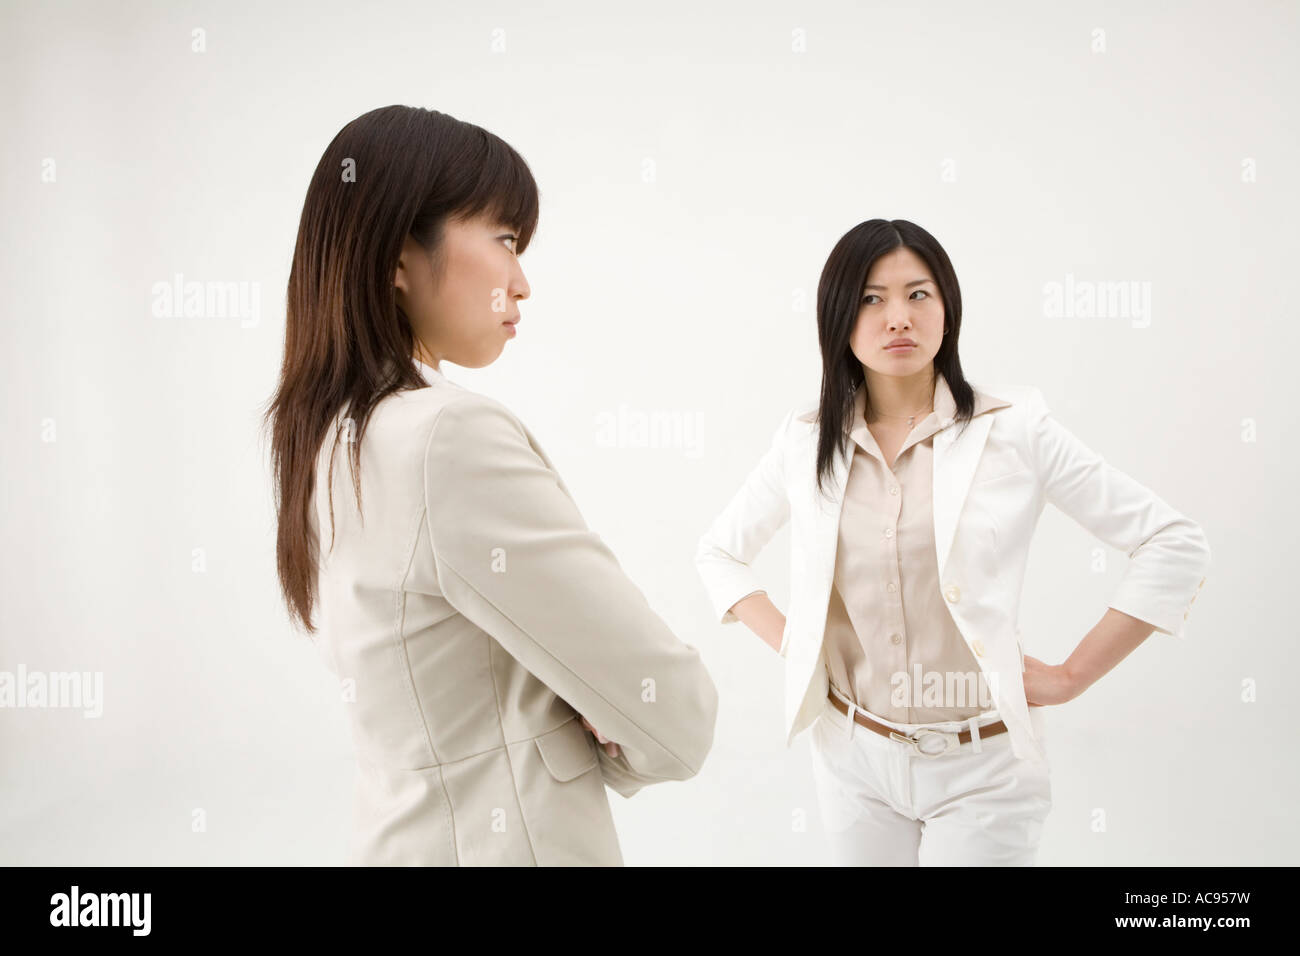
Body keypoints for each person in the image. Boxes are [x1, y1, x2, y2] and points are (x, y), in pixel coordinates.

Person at [264, 105, 717, 866]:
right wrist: (589, 721)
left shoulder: (327, 440)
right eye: (506, 239)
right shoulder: (445, 439)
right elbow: (674, 713)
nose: (522, 282)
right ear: (399, 257)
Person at [694, 218, 1210, 865]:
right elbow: (719, 552)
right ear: (838, 317)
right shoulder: (804, 441)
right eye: (872, 299)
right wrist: (798, 645)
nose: (898, 318)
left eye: (918, 294)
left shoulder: (1016, 429)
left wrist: (1074, 675)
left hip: (984, 770)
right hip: (853, 761)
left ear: (948, 309)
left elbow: (1173, 542)